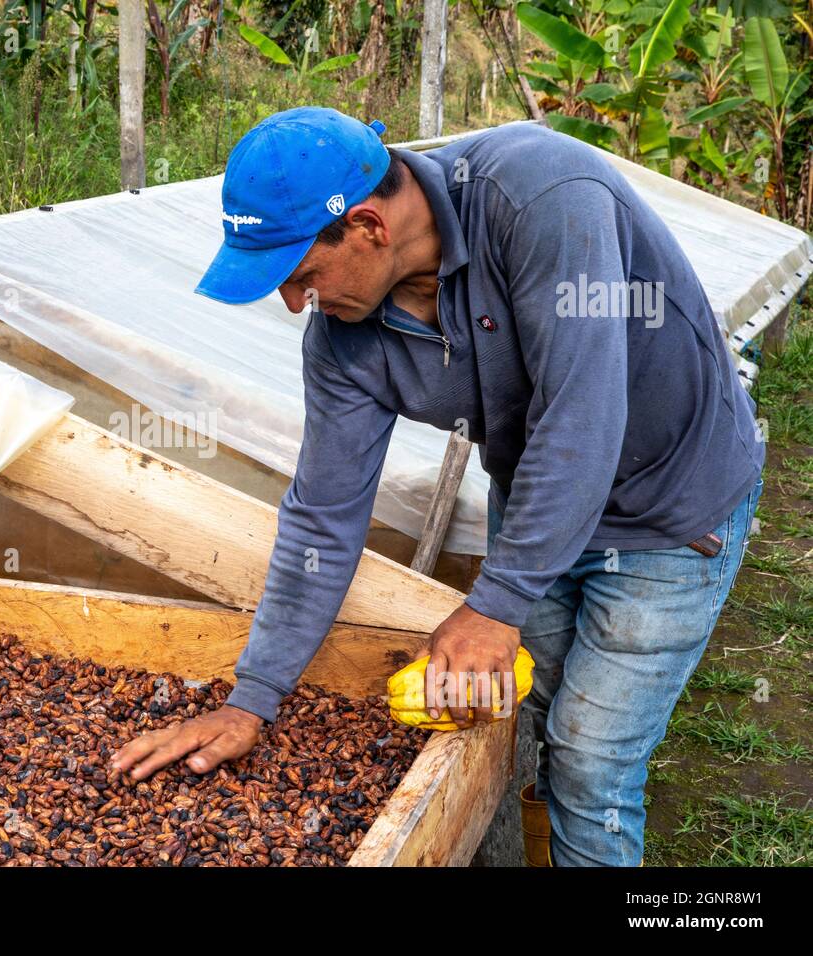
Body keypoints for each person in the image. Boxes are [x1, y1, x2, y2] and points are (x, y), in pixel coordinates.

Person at [107, 107, 765, 867]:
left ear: (368, 227)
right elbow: (323, 516)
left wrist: (495, 603)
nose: (294, 304)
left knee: (593, 759)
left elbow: (582, 417)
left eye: (301, 276)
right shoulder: (343, 339)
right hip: (539, 505)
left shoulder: (543, 195)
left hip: (672, 507)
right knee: (546, 722)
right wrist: (250, 698)